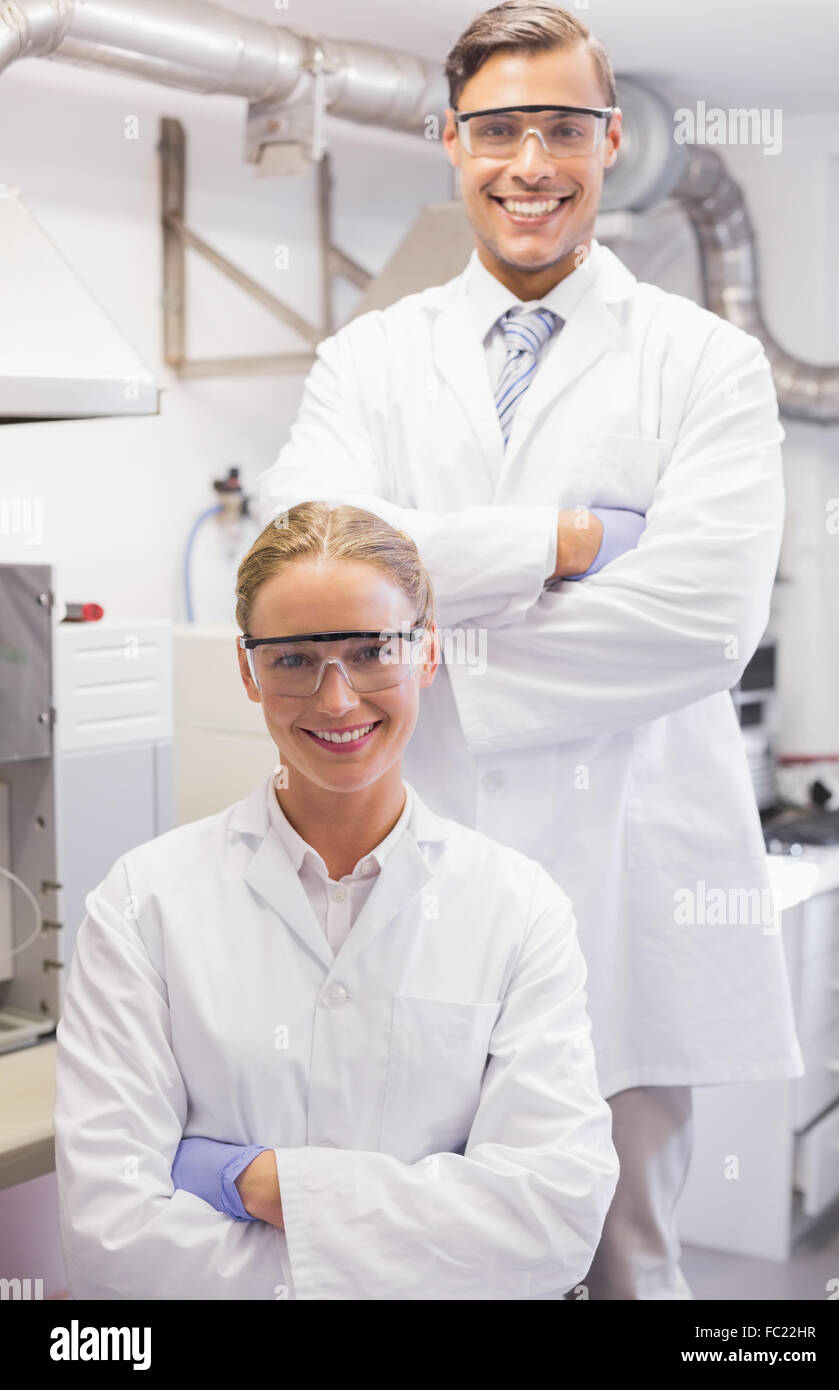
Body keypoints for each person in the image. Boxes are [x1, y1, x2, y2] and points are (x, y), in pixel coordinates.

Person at [257, 2, 805, 1300]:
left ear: (610, 142)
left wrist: (411, 637)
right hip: (406, 897)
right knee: (409, 1257)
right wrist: (554, 541)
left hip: (624, 895)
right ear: (450, 141)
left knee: (623, 1262)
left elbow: (697, 624)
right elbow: (299, 572)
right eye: (498, 129)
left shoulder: (706, 365)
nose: (529, 162)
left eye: (561, 127)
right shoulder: (366, 358)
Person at [53, 501, 620, 1301]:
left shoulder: (520, 908)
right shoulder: (143, 904)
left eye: (370, 651)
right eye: (292, 660)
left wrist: (266, 1184)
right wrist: (420, 1242)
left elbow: (554, 1222)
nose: (336, 699)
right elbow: (111, 1243)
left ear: (426, 654)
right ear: (247, 672)